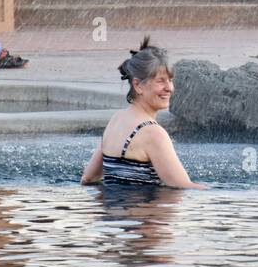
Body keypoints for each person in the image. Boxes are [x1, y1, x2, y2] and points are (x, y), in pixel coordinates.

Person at [80, 37, 208, 189]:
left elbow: (88, 178)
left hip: (114, 211)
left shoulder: (116, 120)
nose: (169, 88)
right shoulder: (152, 133)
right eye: (161, 81)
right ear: (138, 85)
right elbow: (184, 187)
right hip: (146, 212)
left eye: (170, 80)